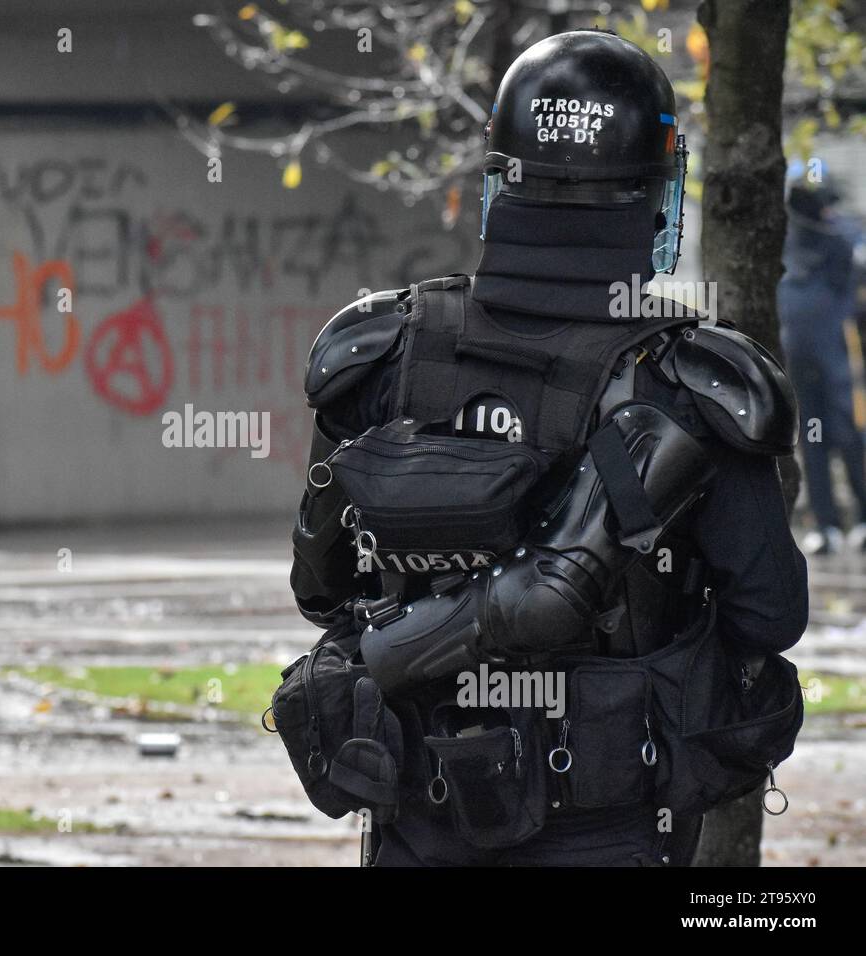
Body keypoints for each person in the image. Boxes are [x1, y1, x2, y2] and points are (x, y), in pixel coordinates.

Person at [280, 30, 808, 867]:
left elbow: (323, 588)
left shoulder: (380, 349)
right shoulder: (693, 382)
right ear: (654, 192)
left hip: (420, 810)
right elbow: (772, 616)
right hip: (610, 814)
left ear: (500, 179)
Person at [777, 176, 866, 554]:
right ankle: (825, 523)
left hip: (840, 355)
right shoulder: (787, 240)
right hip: (799, 358)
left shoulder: (846, 239)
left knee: (850, 433)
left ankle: (863, 518)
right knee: (811, 438)